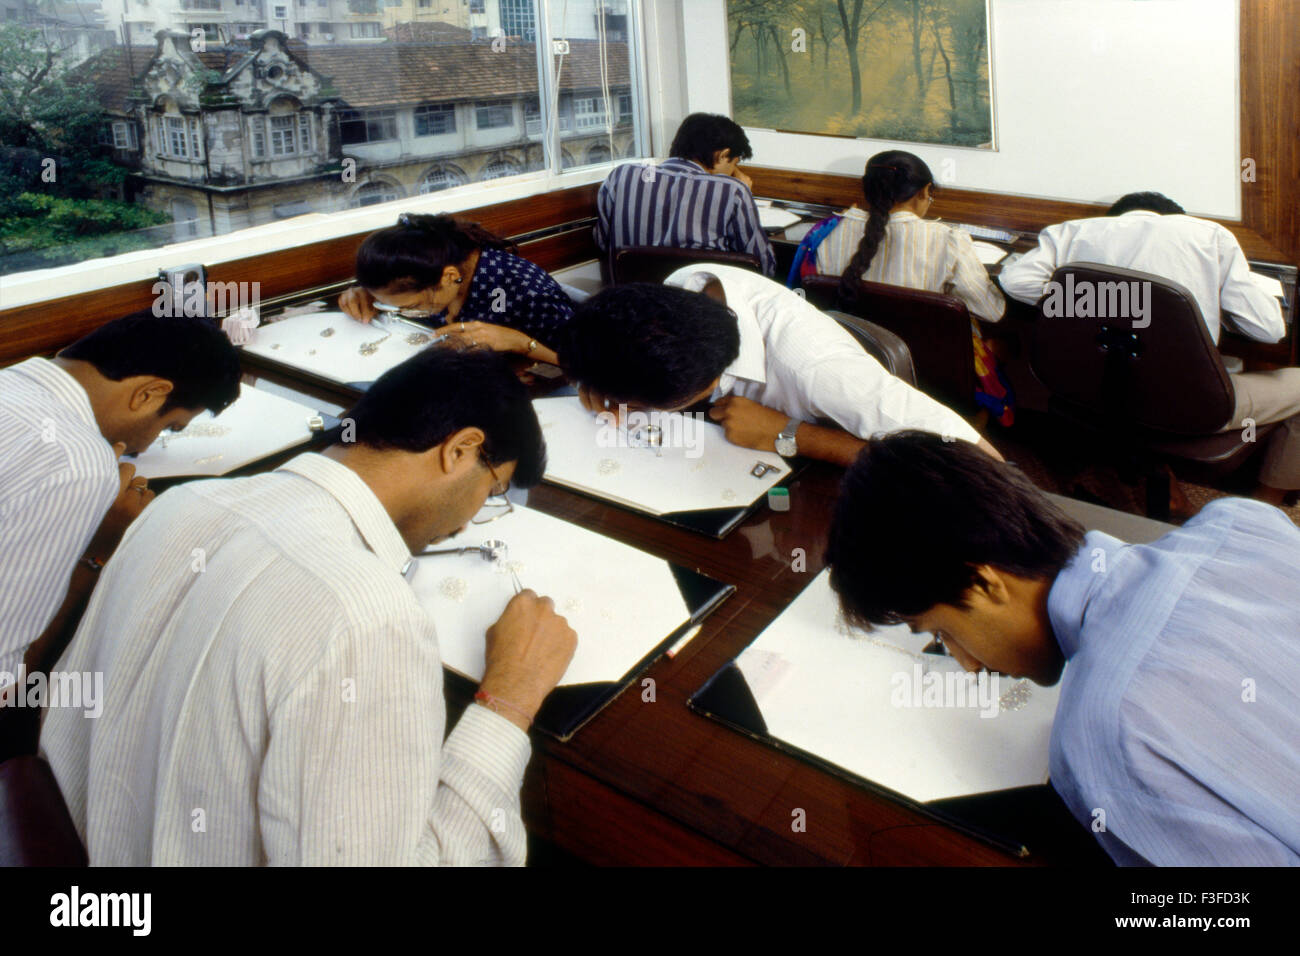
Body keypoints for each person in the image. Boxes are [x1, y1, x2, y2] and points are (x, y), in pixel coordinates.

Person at [40, 347, 577, 865]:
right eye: (493, 490)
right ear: (460, 450)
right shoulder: (366, 615)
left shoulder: (183, 501)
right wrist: (510, 698)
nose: (466, 523)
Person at [824, 431, 1300, 866]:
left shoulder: (1098, 740)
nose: (966, 665)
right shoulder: (1241, 521)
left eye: (941, 633)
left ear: (985, 583)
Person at [0, 313, 241, 729]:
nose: (143, 447)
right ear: (149, 393)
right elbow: (6, 688)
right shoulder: (78, 464)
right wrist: (100, 550)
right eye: (170, 426)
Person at [999, 190, 1297, 504]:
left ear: (1115, 218)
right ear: (1176, 217)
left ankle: (1150, 472)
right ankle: (1265, 502)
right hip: (1187, 405)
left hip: (1088, 393)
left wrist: (1083, 303)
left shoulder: (1070, 232)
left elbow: (1017, 282)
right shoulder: (1210, 237)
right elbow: (1268, 329)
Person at [556, 265, 1000, 466]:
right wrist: (606, 387)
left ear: (704, 385)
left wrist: (790, 435)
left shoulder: (817, 368)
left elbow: (974, 463)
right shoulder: (683, 289)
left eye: (650, 405)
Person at [814, 150, 1013, 425]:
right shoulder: (949, 240)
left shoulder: (829, 232)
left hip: (857, 361)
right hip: (929, 372)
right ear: (924, 192)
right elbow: (992, 311)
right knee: (1000, 344)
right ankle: (967, 433)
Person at [339, 212, 575, 366]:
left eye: (413, 307)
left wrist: (520, 342)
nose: (408, 312)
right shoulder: (424, 270)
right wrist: (368, 296)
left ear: (449, 277)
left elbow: (595, 369)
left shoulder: (525, 290)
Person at [594, 112, 777, 277]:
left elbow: (602, 242)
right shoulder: (732, 190)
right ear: (723, 155)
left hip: (628, 305)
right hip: (696, 310)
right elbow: (762, 267)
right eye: (734, 164)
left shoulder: (621, 175)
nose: (733, 171)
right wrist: (742, 191)